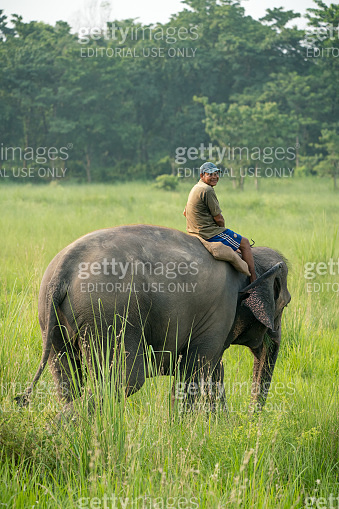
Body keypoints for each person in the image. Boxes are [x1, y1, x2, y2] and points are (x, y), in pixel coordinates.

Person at [183, 161, 257, 282]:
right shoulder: (207, 190)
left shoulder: (196, 187)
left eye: (216, 173)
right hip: (209, 233)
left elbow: (185, 213)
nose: (214, 177)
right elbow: (219, 218)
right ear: (202, 175)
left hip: (193, 231)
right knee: (245, 243)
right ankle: (254, 279)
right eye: (210, 174)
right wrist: (222, 230)